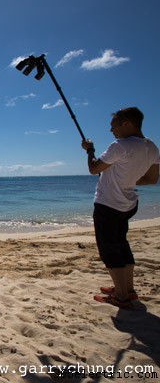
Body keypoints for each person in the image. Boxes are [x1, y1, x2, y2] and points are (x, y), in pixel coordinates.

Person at [81, 107, 159, 309]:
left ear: (127, 124)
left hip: (108, 204)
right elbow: (151, 179)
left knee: (110, 249)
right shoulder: (152, 147)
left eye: (113, 126)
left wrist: (89, 150)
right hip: (128, 204)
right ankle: (128, 290)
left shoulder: (120, 146)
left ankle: (121, 297)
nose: (111, 131)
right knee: (122, 244)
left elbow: (93, 169)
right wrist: (126, 180)